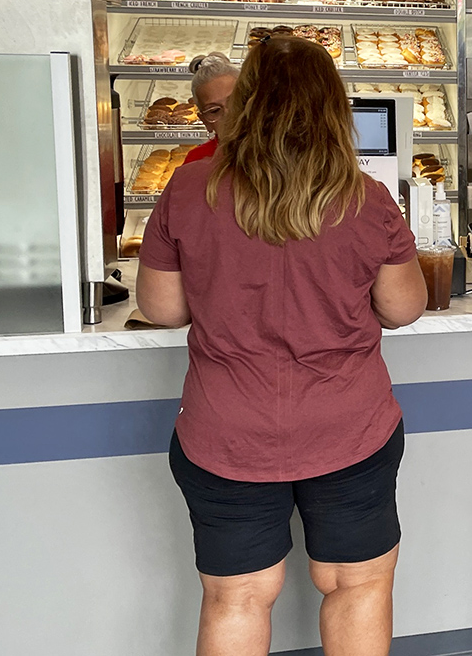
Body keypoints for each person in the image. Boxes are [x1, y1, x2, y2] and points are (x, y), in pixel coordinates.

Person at [136, 35, 427, 656]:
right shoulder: (366, 198)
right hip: (350, 426)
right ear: (334, 108)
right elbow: (403, 309)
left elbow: (160, 310)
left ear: (246, 102)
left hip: (224, 430)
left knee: (236, 597)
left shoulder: (188, 189)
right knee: (356, 586)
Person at [184, 52, 240, 164]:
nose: (228, 114)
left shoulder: (277, 151)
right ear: (205, 121)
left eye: (235, 101)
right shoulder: (195, 161)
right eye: (214, 110)